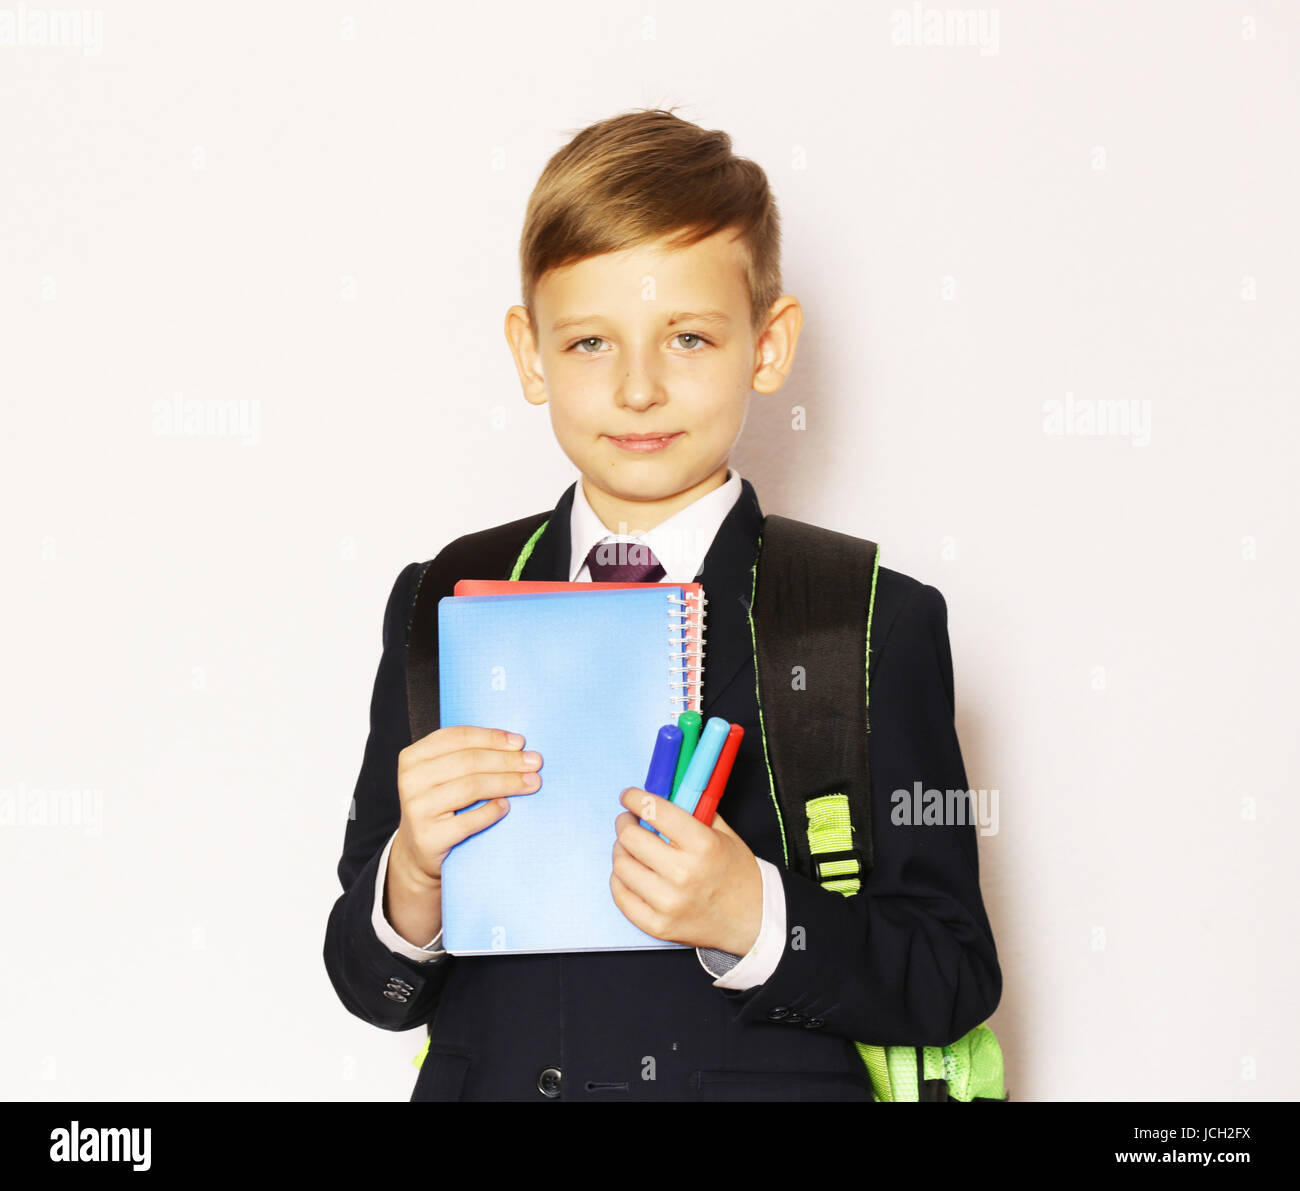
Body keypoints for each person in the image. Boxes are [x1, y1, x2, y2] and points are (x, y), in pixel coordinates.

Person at [323, 107, 1001, 1101]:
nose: (637, 389)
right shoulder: (442, 599)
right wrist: (412, 881)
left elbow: (951, 977)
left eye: (686, 337)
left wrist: (753, 914)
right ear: (529, 353)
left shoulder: (864, 622)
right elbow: (369, 982)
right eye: (591, 342)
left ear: (768, 347)